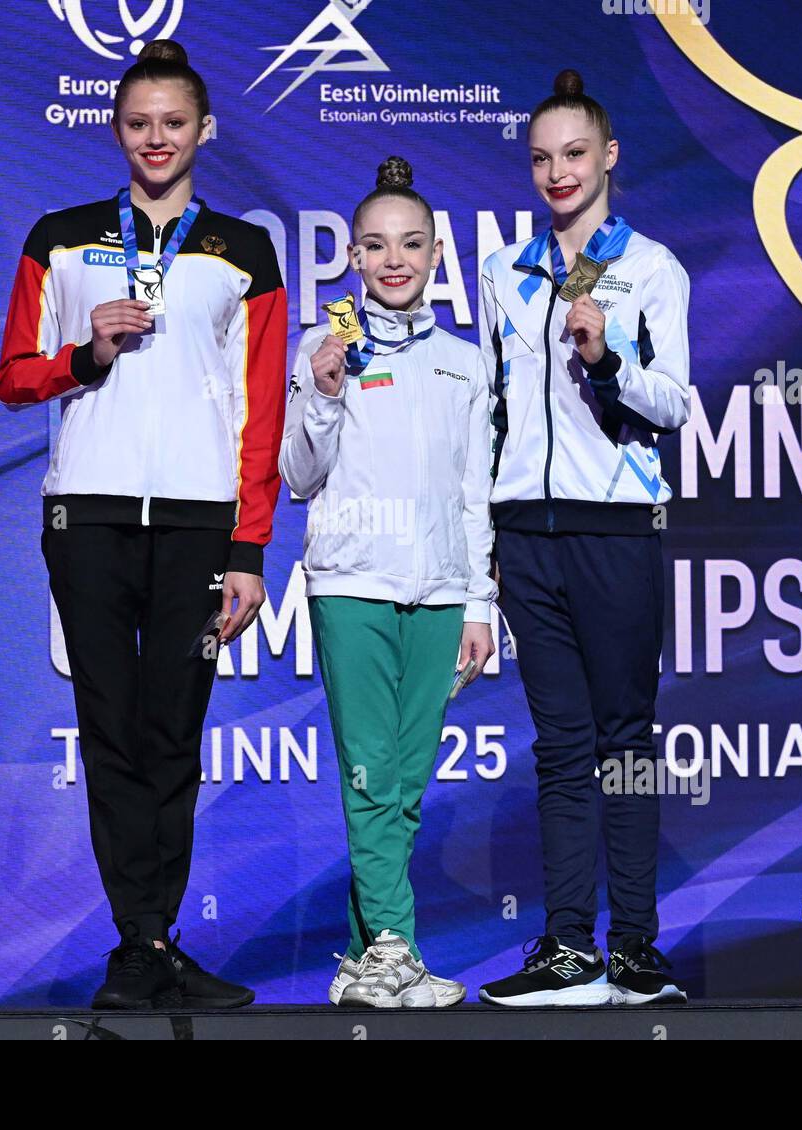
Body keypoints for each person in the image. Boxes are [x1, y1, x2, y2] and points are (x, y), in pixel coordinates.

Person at [0, 39, 287, 1010]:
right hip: (88, 518)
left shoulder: (244, 251)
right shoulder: (61, 237)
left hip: (201, 525)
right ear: (115, 130)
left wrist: (249, 546)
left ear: (203, 129)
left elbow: (261, 412)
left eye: (172, 122)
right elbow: (12, 375)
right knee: (109, 732)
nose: (155, 138)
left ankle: (153, 940)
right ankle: (139, 943)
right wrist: (86, 352)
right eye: (137, 122)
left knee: (174, 732)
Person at [477, 69, 691, 1006]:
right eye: (540, 159)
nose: (557, 173)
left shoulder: (652, 268)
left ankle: (636, 948)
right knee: (560, 745)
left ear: (608, 158)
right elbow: (494, 412)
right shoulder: (502, 274)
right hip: (527, 532)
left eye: (573, 154)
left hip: (616, 529)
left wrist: (611, 362)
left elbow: (676, 405)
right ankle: (569, 949)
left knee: (627, 738)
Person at [280, 157, 496, 1008]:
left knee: (403, 785)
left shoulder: (464, 363)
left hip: (442, 594)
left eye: (410, 244)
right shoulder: (323, 348)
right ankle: (398, 947)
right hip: (351, 587)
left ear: (438, 255)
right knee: (370, 772)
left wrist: (479, 601)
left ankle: (360, 959)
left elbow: (476, 491)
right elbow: (299, 475)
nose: (393, 260)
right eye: (375, 246)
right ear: (354, 258)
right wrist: (325, 393)